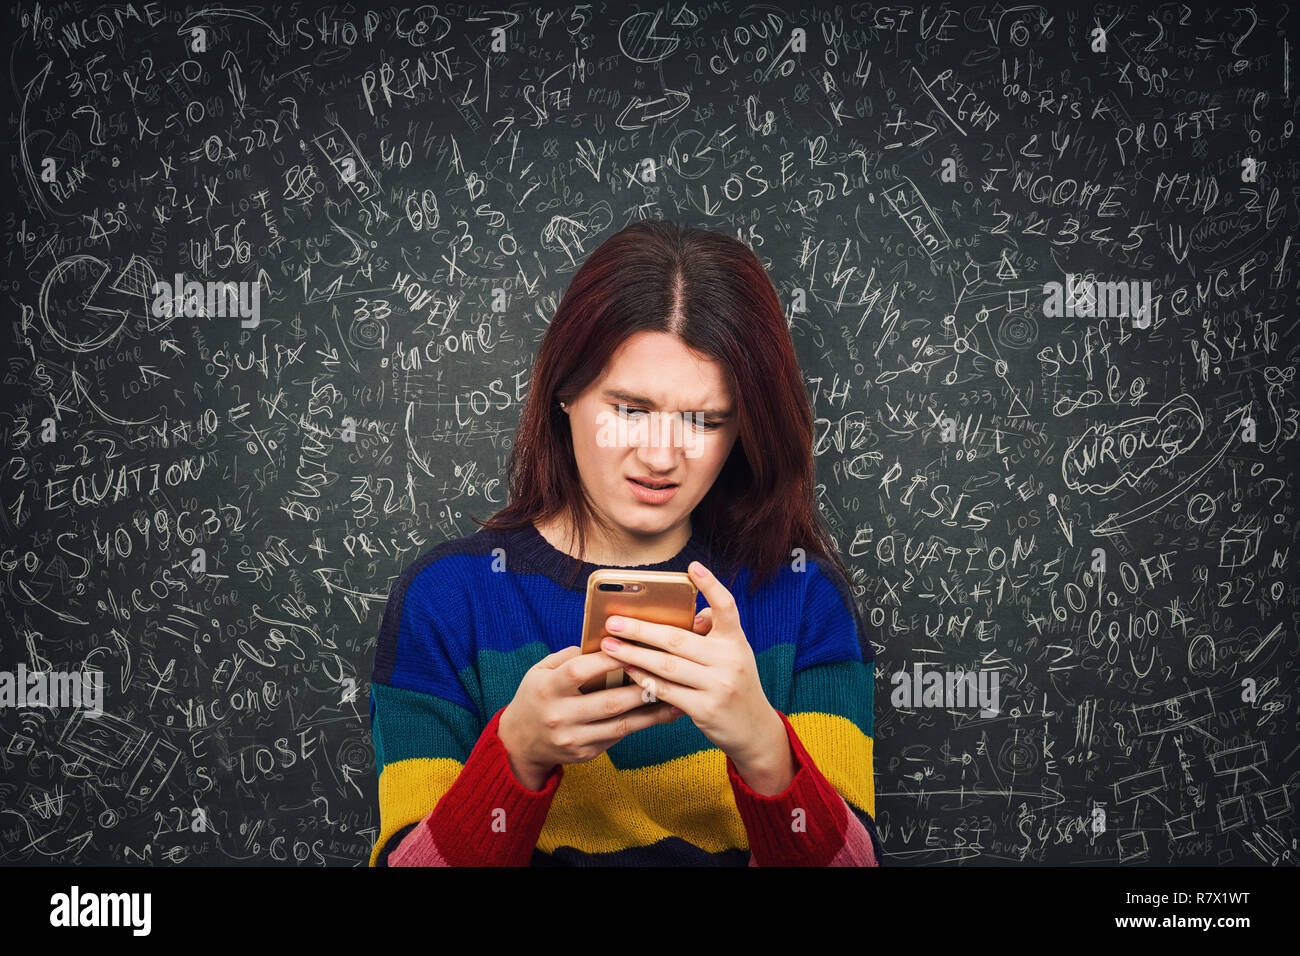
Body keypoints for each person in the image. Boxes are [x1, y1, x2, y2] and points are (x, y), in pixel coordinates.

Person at [369, 220, 881, 866]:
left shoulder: (805, 597)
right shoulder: (446, 601)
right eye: (630, 410)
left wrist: (764, 747)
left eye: (704, 420)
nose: (661, 456)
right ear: (566, 392)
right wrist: (517, 756)